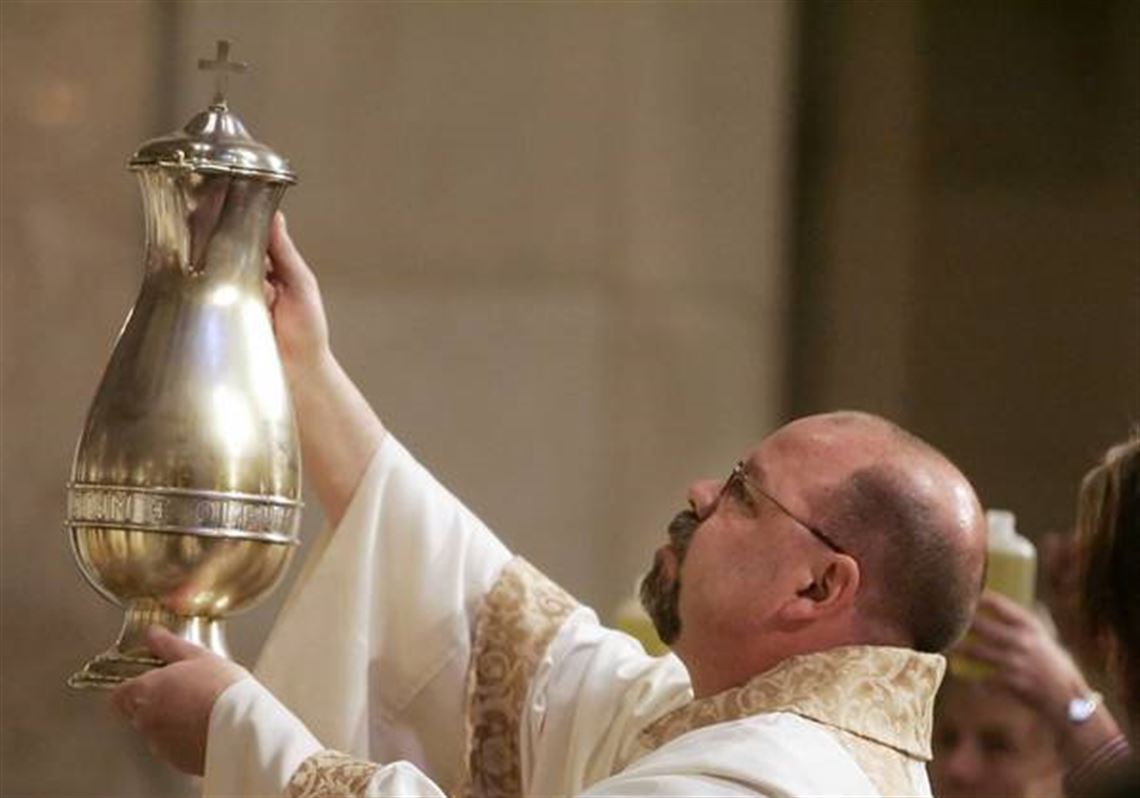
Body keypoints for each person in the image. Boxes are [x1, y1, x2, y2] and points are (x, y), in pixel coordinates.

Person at [110, 214, 988, 796]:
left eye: (743, 493)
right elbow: (510, 638)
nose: (700, 493)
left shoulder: (772, 779)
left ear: (818, 587)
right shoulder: (732, 727)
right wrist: (304, 366)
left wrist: (240, 737)